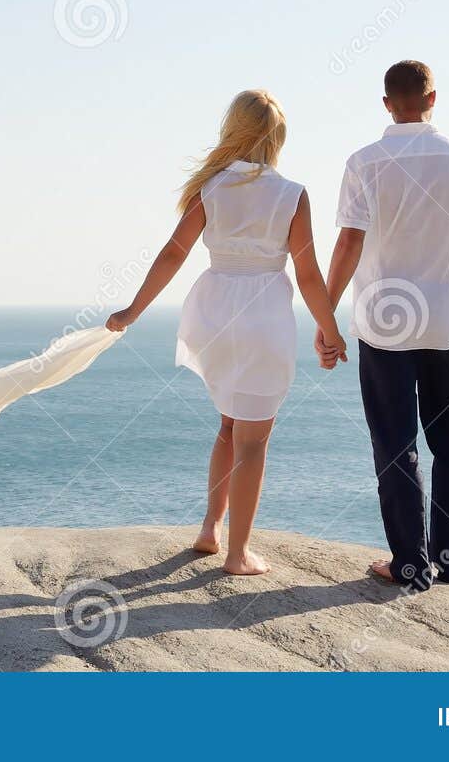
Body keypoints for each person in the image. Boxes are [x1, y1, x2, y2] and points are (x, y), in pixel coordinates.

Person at [108, 90, 347, 575]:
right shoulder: (292, 194)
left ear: (232, 130)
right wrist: (331, 331)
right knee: (253, 441)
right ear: (277, 138)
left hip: (213, 314)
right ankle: (238, 555)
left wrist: (133, 310)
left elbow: (173, 254)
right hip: (264, 319)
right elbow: (308, 276)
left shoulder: (211, 188)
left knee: (228, 426)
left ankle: (210, 529)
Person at [319, 59, 449, 590]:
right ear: (433, 98)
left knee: (395, 443)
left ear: (386, 104)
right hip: (448, 325)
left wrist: (326, 316)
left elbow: (349, 243)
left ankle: (408, 564)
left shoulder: (364, 162)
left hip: (384, 326)